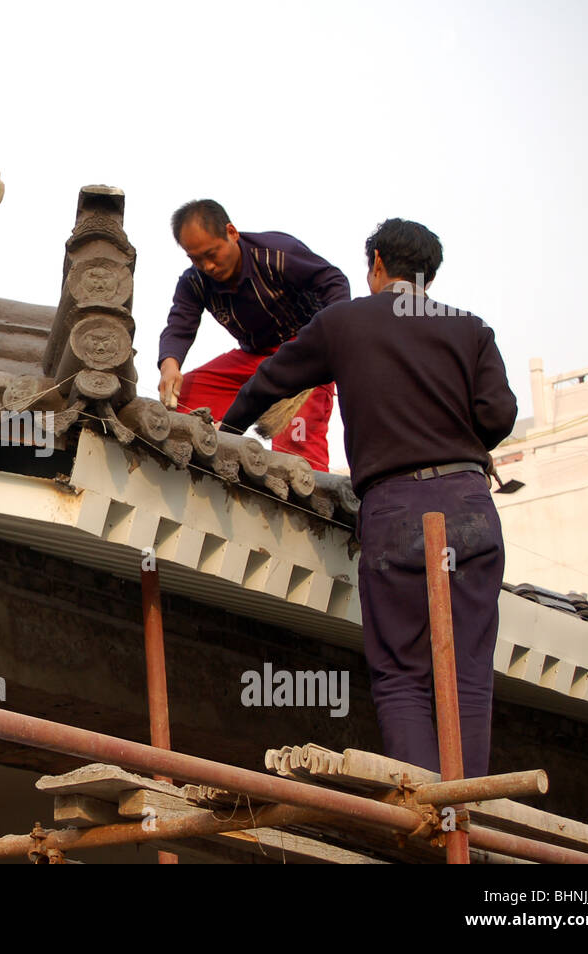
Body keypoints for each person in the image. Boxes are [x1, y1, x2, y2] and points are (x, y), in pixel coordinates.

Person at [217, 218, 517, 780]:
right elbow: (499, 416)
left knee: (403, 672)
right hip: (471, 509)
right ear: (428, 275)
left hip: (395, 511)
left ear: (377, 263)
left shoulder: (344, 323)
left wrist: (223, 432)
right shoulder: (470, 329)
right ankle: (465, 811)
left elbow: (269, 382)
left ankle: (428, 818)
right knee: (469, 671)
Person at [157, 200, 350, 471]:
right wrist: (170, 366)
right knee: (180, 400)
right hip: (254, 357)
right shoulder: (193, 283)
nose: (207, 266)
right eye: (195, 259)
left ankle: (308, 507)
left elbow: (333, 281)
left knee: (296, 448)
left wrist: (329, 343)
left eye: (212, 254)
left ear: (232, 233)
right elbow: (179, 325)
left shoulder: (277, 254)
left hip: (304, 353)